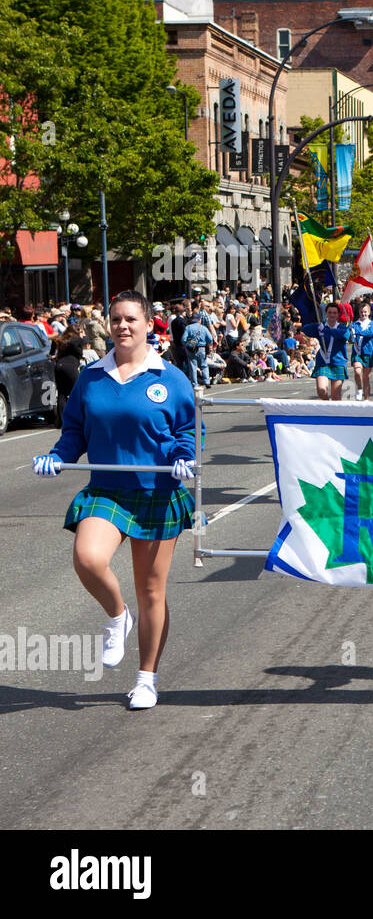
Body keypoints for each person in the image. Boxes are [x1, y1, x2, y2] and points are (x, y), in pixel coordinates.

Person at [32, 291, 195, 710]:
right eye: (116, 319)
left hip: (156, 492)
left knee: (151, 591)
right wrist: (57, 456)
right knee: (87, 558)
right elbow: (75, 433)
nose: (123, 326)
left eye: (131, 319)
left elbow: (187, 433)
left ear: (147, 324)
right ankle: (117, 616)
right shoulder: (92, 377)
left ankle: (146, 679)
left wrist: (183, 459)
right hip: (106, 489)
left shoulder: (171, 378)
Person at [302, 303, 350, 401]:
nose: (332, 315)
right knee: (321, 390)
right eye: (330, 312)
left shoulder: (342, 328)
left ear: (338, 314)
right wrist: (317, 324)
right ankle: (327, 408)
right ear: (326, 313)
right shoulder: (321, 326)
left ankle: (336, 415)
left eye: (334, 313)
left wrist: (327, 330)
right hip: (323, 362)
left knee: (336, 396)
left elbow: (345, 336)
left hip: (338, 362)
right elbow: (305, 329)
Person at [349, 302, 373, 401]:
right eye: (361, 312)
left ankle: (366, 399)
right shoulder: (354, 324)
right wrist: (351, 334)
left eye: (365, 312)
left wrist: (358, 332)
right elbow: (351, 338)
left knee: (366, 377)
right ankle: (359, 388)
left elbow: (371, 333)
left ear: (369, 312)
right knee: (357, 371)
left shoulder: (372, 323)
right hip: (357, 352)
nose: (363, 314)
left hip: (368, 353)